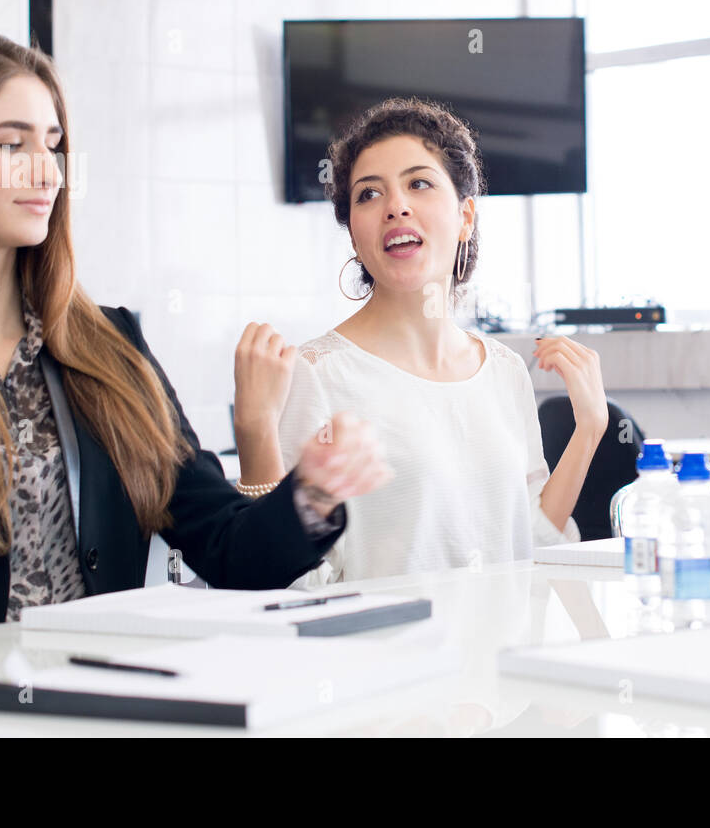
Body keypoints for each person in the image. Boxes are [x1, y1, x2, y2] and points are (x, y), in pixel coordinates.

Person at [0, 33, 388, 641]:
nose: (48, 170)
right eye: (11, 144)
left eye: (53, 144)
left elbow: (229, 551)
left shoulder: (111, 344)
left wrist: (312, 492)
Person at [233, 97, 608, 583]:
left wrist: (589, 431)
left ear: (465, 217)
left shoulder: (504, 370)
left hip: (503, 652)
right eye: (368, 194)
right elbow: (290, 583)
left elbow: (530, 540)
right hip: (385, 656)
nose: (396, 206)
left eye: (419, 183)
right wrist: (255, 435)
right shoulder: (314, 375)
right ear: (354, 236)